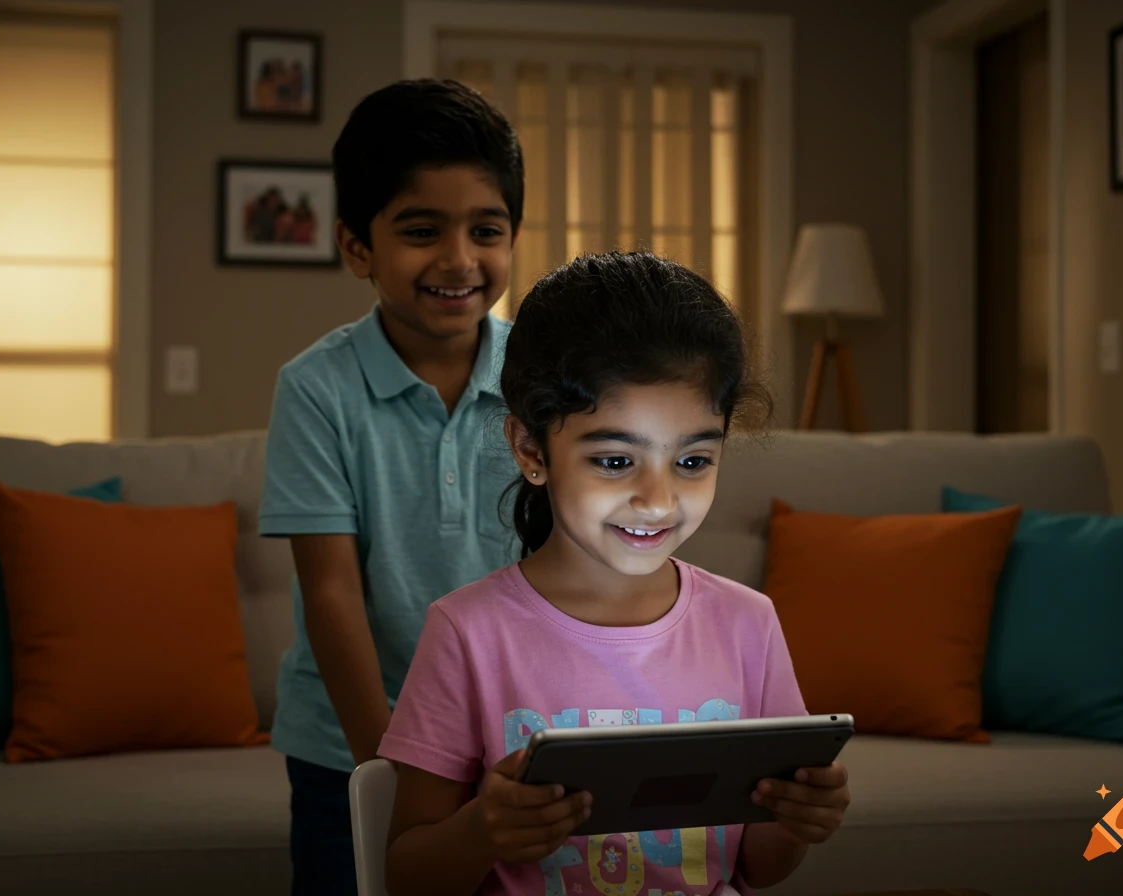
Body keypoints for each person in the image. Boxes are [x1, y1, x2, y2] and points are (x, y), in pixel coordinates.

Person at [377, 251, 852, 896]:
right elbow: (407, 876)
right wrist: (483, 831)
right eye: (614, 461)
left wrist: (794, 821)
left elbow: (757, 870)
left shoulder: (749, 624)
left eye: (692, 463)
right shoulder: (468, 633)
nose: (657, 500)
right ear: (531, 450)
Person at [258, 79, 525, 896]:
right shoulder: (315, 388)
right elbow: (331, 595)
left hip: (508, 739)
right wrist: (387, 769)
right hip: (349, 746)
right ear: (356, 247)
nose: (458, 260)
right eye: (420, 231)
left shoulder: (545, 377)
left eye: (486, 230)